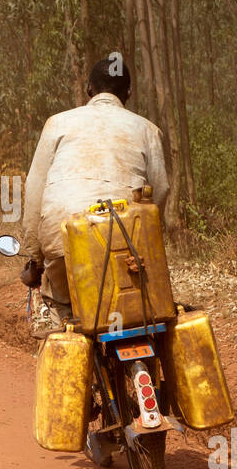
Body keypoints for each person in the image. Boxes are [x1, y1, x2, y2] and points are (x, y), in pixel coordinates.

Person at [19, 57, 170, 333]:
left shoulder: (57, 123)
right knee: (148, 313)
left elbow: (34, 190)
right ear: (128, 93)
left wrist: (34, 258)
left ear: (89, 89)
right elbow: (160, 190)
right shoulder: (148, 130)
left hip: (66, 242)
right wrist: (146, 238)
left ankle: (66, 335)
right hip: (126, 245)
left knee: (61, 315)